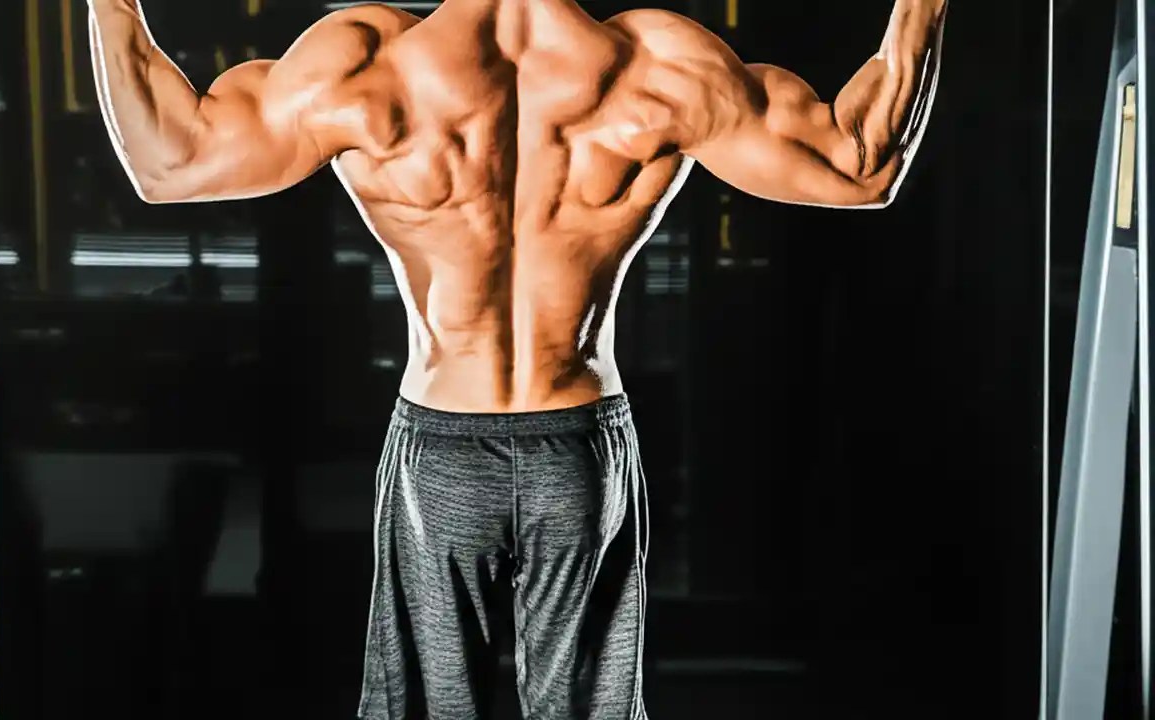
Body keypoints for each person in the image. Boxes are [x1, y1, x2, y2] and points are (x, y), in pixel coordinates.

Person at [86, 0, 948, 716]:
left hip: (441, 442)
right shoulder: (658, 65)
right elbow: (860, 166)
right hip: (577, 439)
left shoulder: (365, 65)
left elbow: (172, 163)